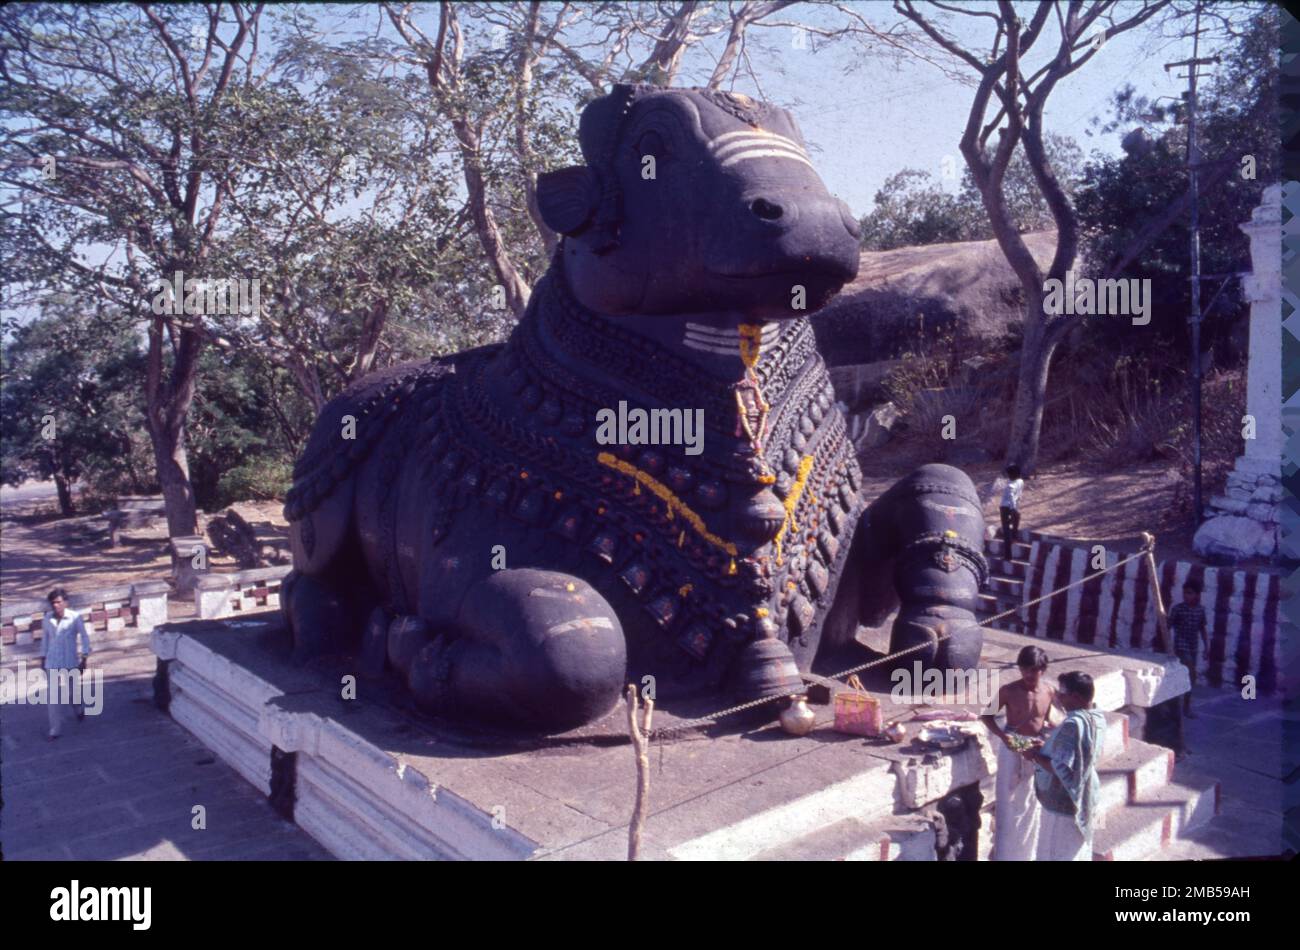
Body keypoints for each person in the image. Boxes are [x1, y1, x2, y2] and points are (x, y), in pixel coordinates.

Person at [982, 645, 1056, 861]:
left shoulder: (1049, 691)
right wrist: (1003, 737)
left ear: (1042, 670)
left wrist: (1047, 737)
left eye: (1033, 670)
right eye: (1024, 669)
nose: (1028, 675)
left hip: (1035, 749)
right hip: (1012, 747)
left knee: (1031, 803)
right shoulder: (1008, 690)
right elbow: (987, 717)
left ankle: (1026, 856)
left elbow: (1050, 719)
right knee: (1008, 800)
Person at [1025, 670, 1107, 861]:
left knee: (1053, 853)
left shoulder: (1073, 725)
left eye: (1062, 694)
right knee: (1078, 852)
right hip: (1089, 795)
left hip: (1064, 804)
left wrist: (1034, 755)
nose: (1059, 697)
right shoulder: (1097, 717)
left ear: (1076, 697)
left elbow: (1060, 768)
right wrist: (1049, 745)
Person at [40, 588, 91, 740]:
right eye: (53, 603)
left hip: (70, 661)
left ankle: (79, 709)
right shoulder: (47, 619)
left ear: (65, 602)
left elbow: (85, 637)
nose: (56, 605)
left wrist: (85, 658)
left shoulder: (75, 618)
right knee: (53, 697)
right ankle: (54, 730)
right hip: (52, 661)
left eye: (59, 602)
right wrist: (42, 659)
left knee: (73, 693)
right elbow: (45, 640)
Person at [1167, 580, 1209, 719]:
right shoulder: (1178, 609)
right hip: (1181, 644)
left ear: (1197, 595)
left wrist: (1206, 647)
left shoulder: (1200, 610)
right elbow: (1167, 626)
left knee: (1188, 677)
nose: (1186, 596)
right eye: (1185, 593)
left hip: (1193, 646)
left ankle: (1185, 707)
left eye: (1190, 593)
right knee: (1190, 672)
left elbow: (1202, 629)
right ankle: (1180, 708)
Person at [998, 463, 1024, 548]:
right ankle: (1014, 537)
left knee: (1006, 529)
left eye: (1009, 474)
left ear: (1012, 475)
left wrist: (1013, 509)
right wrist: (1015, 508)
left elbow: (1011, 497)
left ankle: (1007, 554)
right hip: (1014, 506)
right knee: (1015, 522)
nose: (1008, 476)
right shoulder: (1021, 482)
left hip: (1005, 508)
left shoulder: (1010, 485)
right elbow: (1018, 495)